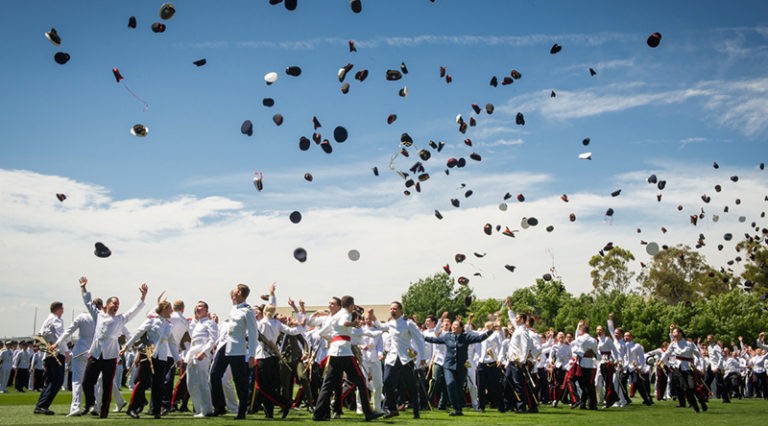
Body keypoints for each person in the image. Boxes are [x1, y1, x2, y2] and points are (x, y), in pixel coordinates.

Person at [80, 278, 148, 418]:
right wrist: (83, 288)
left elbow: (134, 311)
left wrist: (142, 296)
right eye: (114, 303)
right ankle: (89, 403)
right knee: (86, 382)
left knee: (107, 386)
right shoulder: (98, 315)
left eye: (118, 304)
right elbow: (88, 303)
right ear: (107, 304)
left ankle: (103, 413)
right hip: (95, 355)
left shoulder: (120, 319)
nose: (116, 305)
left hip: (110, 358)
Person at [312, 295, 384, 422]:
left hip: (334, 352)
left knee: (328, 384)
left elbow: (322, 333)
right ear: (351, 305)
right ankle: (368, 413)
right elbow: (343, 323)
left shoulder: (334, 316)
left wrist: (333, 338)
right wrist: (352, 324)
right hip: (344, 352)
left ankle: (318, 414)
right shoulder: (345, 314)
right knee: (361, 380)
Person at [122, 300, 181, 419]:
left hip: (162, 357)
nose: (172, 312)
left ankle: (156, 410)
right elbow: (138, 334)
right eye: (170, 309)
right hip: (148, 354)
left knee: (158, 384)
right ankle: (132, 408)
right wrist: (126, 346)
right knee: (143, 382)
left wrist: (177, 359)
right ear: (165, 309)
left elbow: (173, 343)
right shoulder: (152, 320)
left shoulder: (169, 325)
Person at [424, 317, 494, 416]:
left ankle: (459, 408)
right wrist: (422, 337)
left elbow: (479, 338)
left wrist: (491, 331)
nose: (454, 327)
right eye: (453, 326)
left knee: (459, 387)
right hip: (448, 365)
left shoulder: (466, 338)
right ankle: (456, 408)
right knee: (450, 384)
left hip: (461, 366)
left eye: (456, 326)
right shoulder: (447, 336)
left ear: (461, 328)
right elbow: (434, 340)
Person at [209, 283, 259, 419]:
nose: (233, 292)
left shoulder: (248, 311)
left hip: (237, 348)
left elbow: (254, 334)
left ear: (240, 294)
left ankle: (242, 411)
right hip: (225, 345)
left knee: (239, 381)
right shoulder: (234, 308)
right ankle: (219, 407)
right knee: (214, 375)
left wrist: (252, 355)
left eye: (235, 291)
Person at [370, 301, 426, 419]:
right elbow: (380, 326)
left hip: (405, 359)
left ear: (401, 311)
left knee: (411, 385)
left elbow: (420, 340)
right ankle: (392, 409)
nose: (392, 311)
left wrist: (423, 358)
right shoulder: (390, 323)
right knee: (387, 382)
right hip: (392, 358)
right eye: (391, 309)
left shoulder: (408, 323)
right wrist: (373, 316)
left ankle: (416, 411)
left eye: (395, 309)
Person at [53, 283, 103, 416]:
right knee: (95, 381)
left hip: (80, 349)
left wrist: (57, 343)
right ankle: (95, 406)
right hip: (93, 351)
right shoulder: (101, 317)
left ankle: (75, 407)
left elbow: (68, 331)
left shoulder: (81, 317)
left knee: (77, 381)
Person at [659, 328, 708, 412]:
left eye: (675, 332)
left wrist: (702, 368)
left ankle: (702, 402)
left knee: (692, 387)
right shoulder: (673, 344)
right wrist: (660, 361)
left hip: (689, 367)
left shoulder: (690, 343)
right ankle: (695, 407)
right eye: (673, 333)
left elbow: (699, 356)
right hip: (678, 368)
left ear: (680, 333)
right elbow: (667, 353)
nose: (674, 334)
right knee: (685, 388)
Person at [34, 301, 67, 415]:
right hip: (56, 354)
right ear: (58, 309)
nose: (63, 311)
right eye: (62, 309)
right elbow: (61, 336)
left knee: (49, 381)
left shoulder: (46, 321)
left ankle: (40, 405)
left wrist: (44, 355)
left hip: (48, 354)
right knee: (57, 380)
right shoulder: (57, 320)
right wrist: (66, 351)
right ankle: (43, 405)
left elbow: (40, 339)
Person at [185, 301, 218, 417]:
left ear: (206, 310)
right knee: (191, 383)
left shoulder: (210, 323)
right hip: (192, 355)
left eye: (200, 306)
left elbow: (213, 339)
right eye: (197, 306)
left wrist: (204, 352)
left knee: (202, 382)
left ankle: (206, 409)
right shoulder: (197, 324)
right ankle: (198, 408)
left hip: (202, 356)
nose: (198, 308)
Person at [164, 300, 189, 413]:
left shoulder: (170, 317)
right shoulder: (185, 321)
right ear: (183, 309)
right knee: (169, 379)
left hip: (164, 350)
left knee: (161, 379)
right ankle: (168, 403)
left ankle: (162, 404)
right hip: (174, 353)